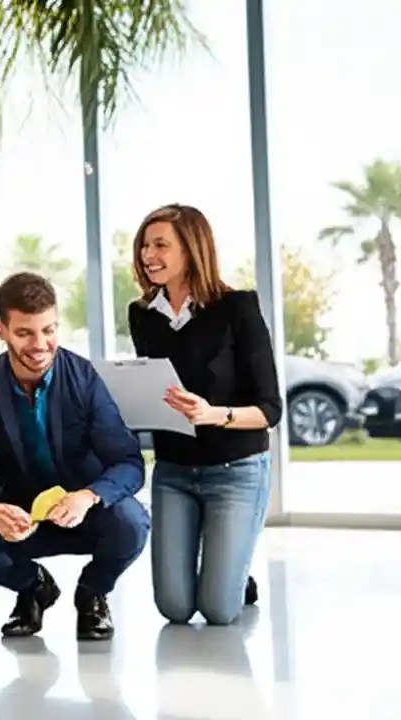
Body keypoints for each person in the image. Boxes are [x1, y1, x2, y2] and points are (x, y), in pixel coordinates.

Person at [0, 271, 149, 641]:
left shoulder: (84, 378)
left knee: (132, 521)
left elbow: (129, 462)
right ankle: (33, 586)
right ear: (1, 330)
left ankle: (93, 593)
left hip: (84, 513)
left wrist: (88, 497)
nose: (40, 344)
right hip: (19, 516)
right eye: (25, 333)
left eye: (49, 330)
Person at [126, 203, 283, 626]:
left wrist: (214, 414)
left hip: (236, 469)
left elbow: (270, 410)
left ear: (192, 249)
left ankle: (234, 578)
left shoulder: (238, 308)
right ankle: (224, 570)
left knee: (218, 610)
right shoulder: (142, 315)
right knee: (175, 608)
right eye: (144, 245)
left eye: (160, 244)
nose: (147, 254)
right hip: (175, 470)